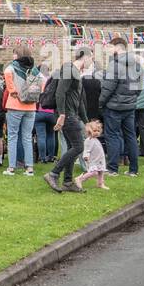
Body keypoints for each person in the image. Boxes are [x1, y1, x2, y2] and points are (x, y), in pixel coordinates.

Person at [46, 46, 92, 193]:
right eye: (91, 58)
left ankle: (67, 181)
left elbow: (79, 102)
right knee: (79, 147)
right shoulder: (68, 68)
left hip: (72, 114)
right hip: (67, 115)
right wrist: (62, 114)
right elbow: (60, 93)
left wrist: (86, 122)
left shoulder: (76, 73)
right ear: (85, 57)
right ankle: (53, 173)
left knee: (74, 147)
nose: (92, 62)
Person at [98, 37, 142, 178]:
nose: (109, 50)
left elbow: (108, 88)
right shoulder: (136, 65)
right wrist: (132, 98)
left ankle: (113, 169)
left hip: (114, 106)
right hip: (129, 106)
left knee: (113, 137)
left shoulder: (114, 65)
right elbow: (139, 87)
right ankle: (133, 169)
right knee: (131, 137)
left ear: (117, 47)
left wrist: (100, 103)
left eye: (110, 47)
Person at [3, 53, 39, 176]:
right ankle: (29, 167)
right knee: (27, 137)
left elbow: (7, 74)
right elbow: (42, 84)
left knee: (12, 136)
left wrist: (13, 90)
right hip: (31, 106)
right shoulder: (34, 70)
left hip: (15, 105)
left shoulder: (12, 68)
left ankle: (11, 167)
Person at [79, 120, 109, 190]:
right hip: (93, 159)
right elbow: (86, 149)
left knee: (101, 172)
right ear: (89, 131)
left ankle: (100, 183)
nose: (97, 133)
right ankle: (80, 179)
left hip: (100, 159)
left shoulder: (96, 139)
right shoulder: (88, 140)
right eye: (95, 131)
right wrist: (86, 156)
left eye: (98, 131)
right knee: (93, 172)